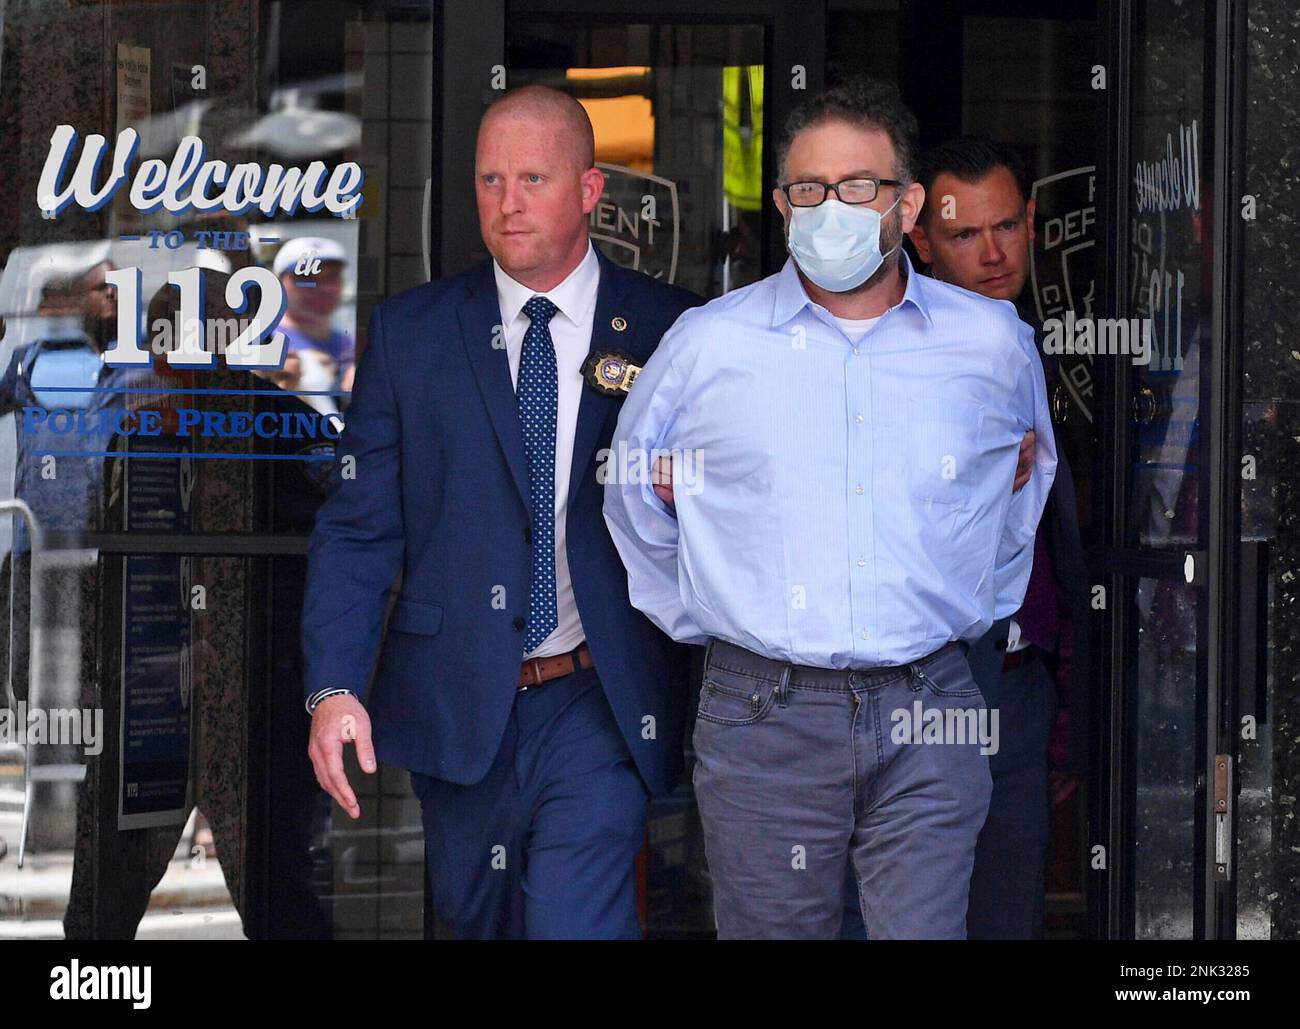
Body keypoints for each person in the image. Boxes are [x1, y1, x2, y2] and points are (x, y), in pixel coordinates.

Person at [603, 77, 1055, 940]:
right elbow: (633, 494)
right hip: (763, 709)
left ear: (908, 202)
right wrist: (707, 615)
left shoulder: (992, 344)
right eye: (809, 190)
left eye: (858, 188)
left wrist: (967, 609)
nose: (831, 209)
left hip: (932, 698)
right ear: (781, 204)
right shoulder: (708, 343)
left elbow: (1019, 496)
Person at [301, 85, 701, 939]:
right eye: (488, 181)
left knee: (573, 922)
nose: (506, 203)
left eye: (531, 178)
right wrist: (334, 687)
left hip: (599, 693)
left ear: (591, 191)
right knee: (473, 921)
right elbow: (359, 528)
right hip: (460, 704)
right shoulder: (412, 333)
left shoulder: (675, 332)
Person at [907, 136, 1091, 939]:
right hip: (913, 686)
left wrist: (1065, 717)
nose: (991, 253)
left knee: (1006, 916)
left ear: (1033, 224)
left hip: (1021, 687)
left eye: (1006, 227)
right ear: (920, 239)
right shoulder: (885, 355)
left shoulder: (1052, 347)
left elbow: (1068, 546)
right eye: (964, 234)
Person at [271, 236, 355, 396]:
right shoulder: (262, 342)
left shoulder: (350, 346)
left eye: (331, 277)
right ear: (279, 283)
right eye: (306, 278)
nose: (323, 288)